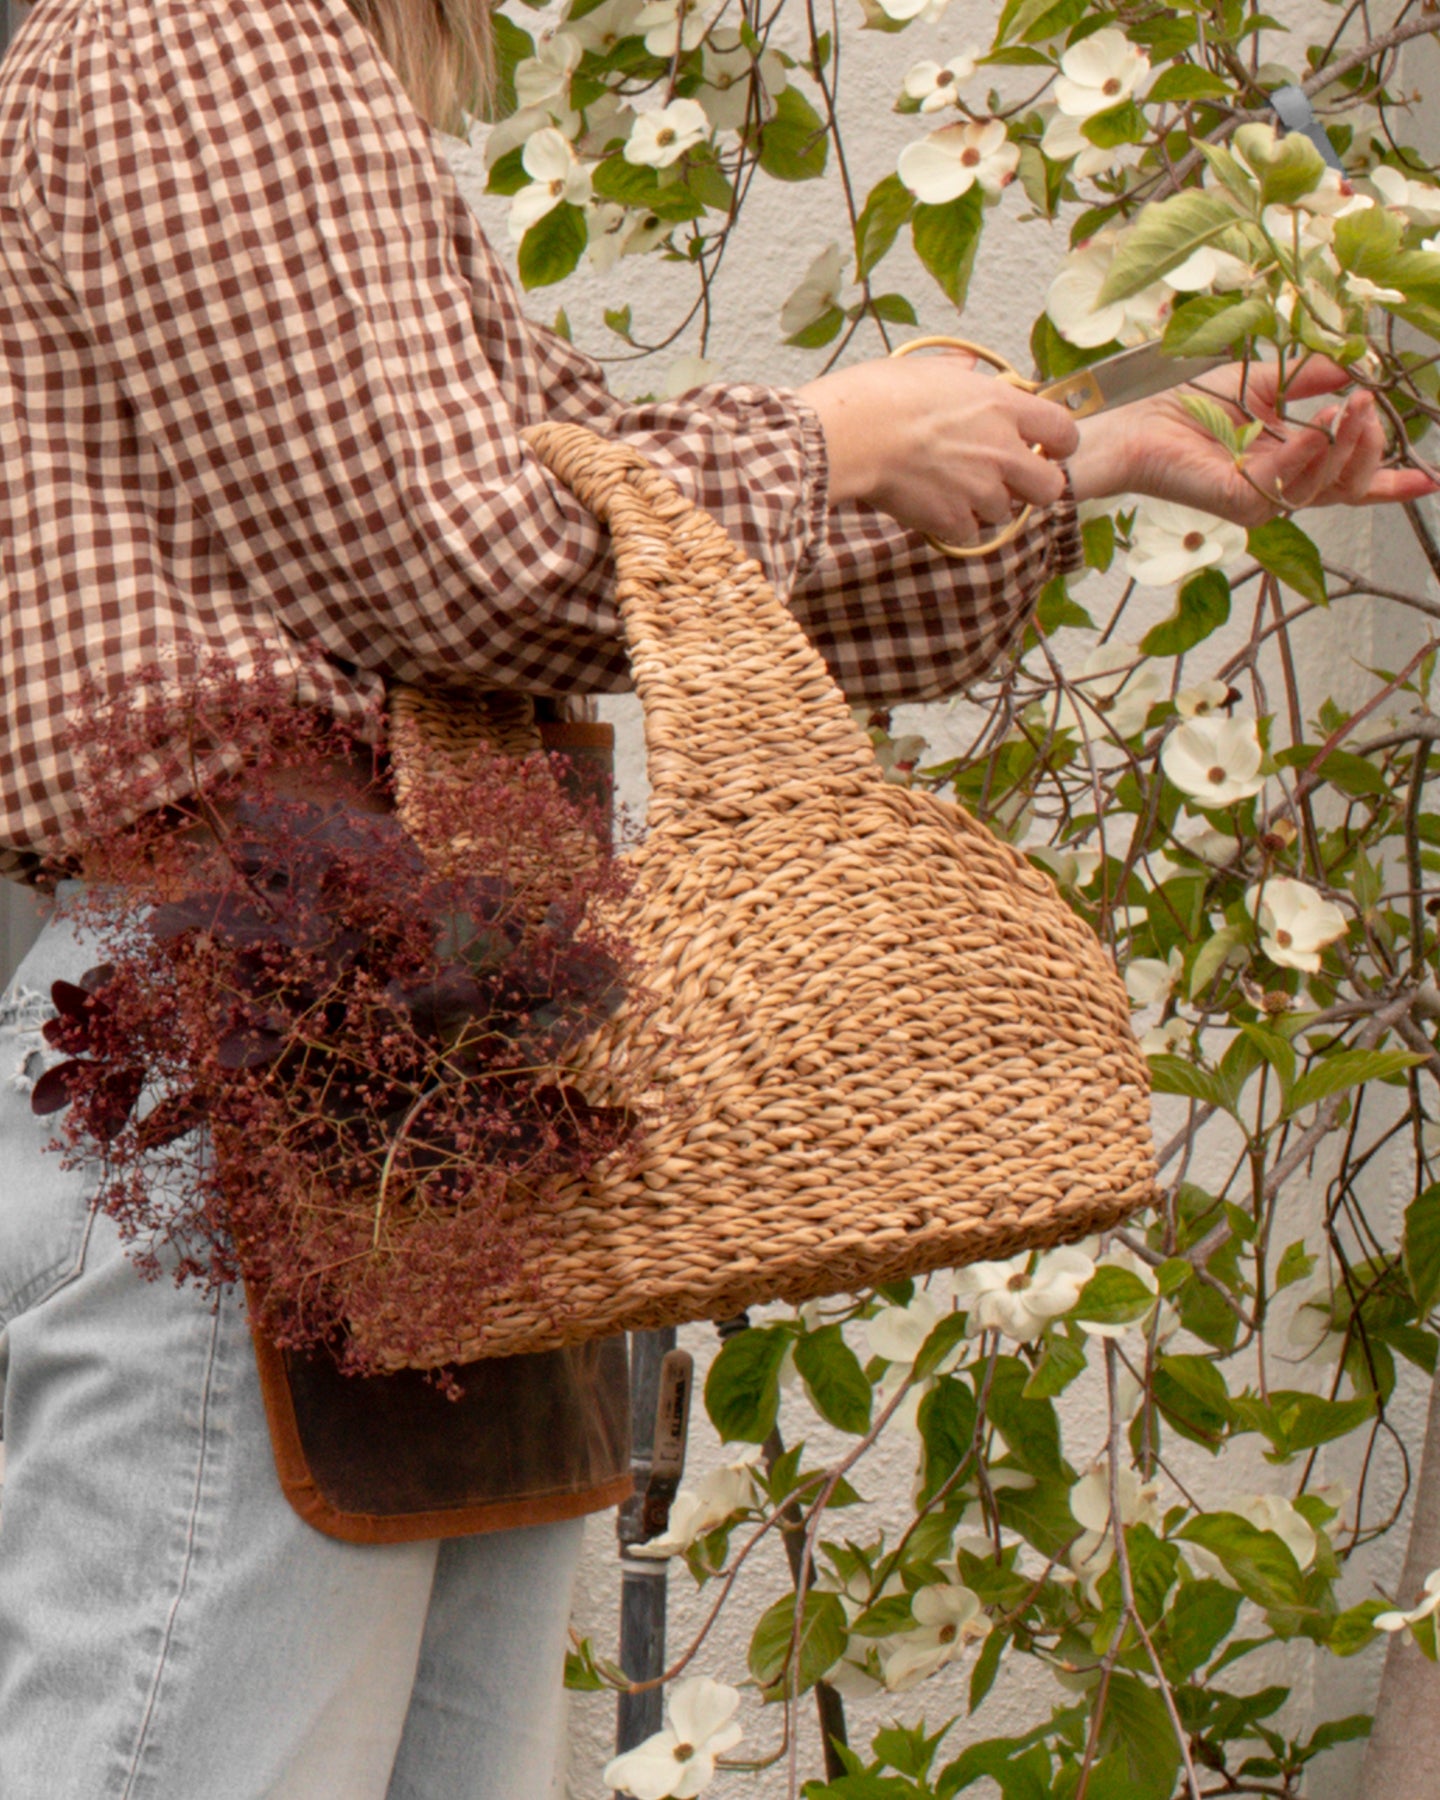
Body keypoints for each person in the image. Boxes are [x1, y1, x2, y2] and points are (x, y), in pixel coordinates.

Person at [0, 2, 1429, 1797]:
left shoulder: (298, 62)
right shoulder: (201, 31)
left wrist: (1099, 449)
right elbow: (459, 554)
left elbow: (637, 572)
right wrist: (831, 429)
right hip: (262, 1060)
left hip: (421, 1060)